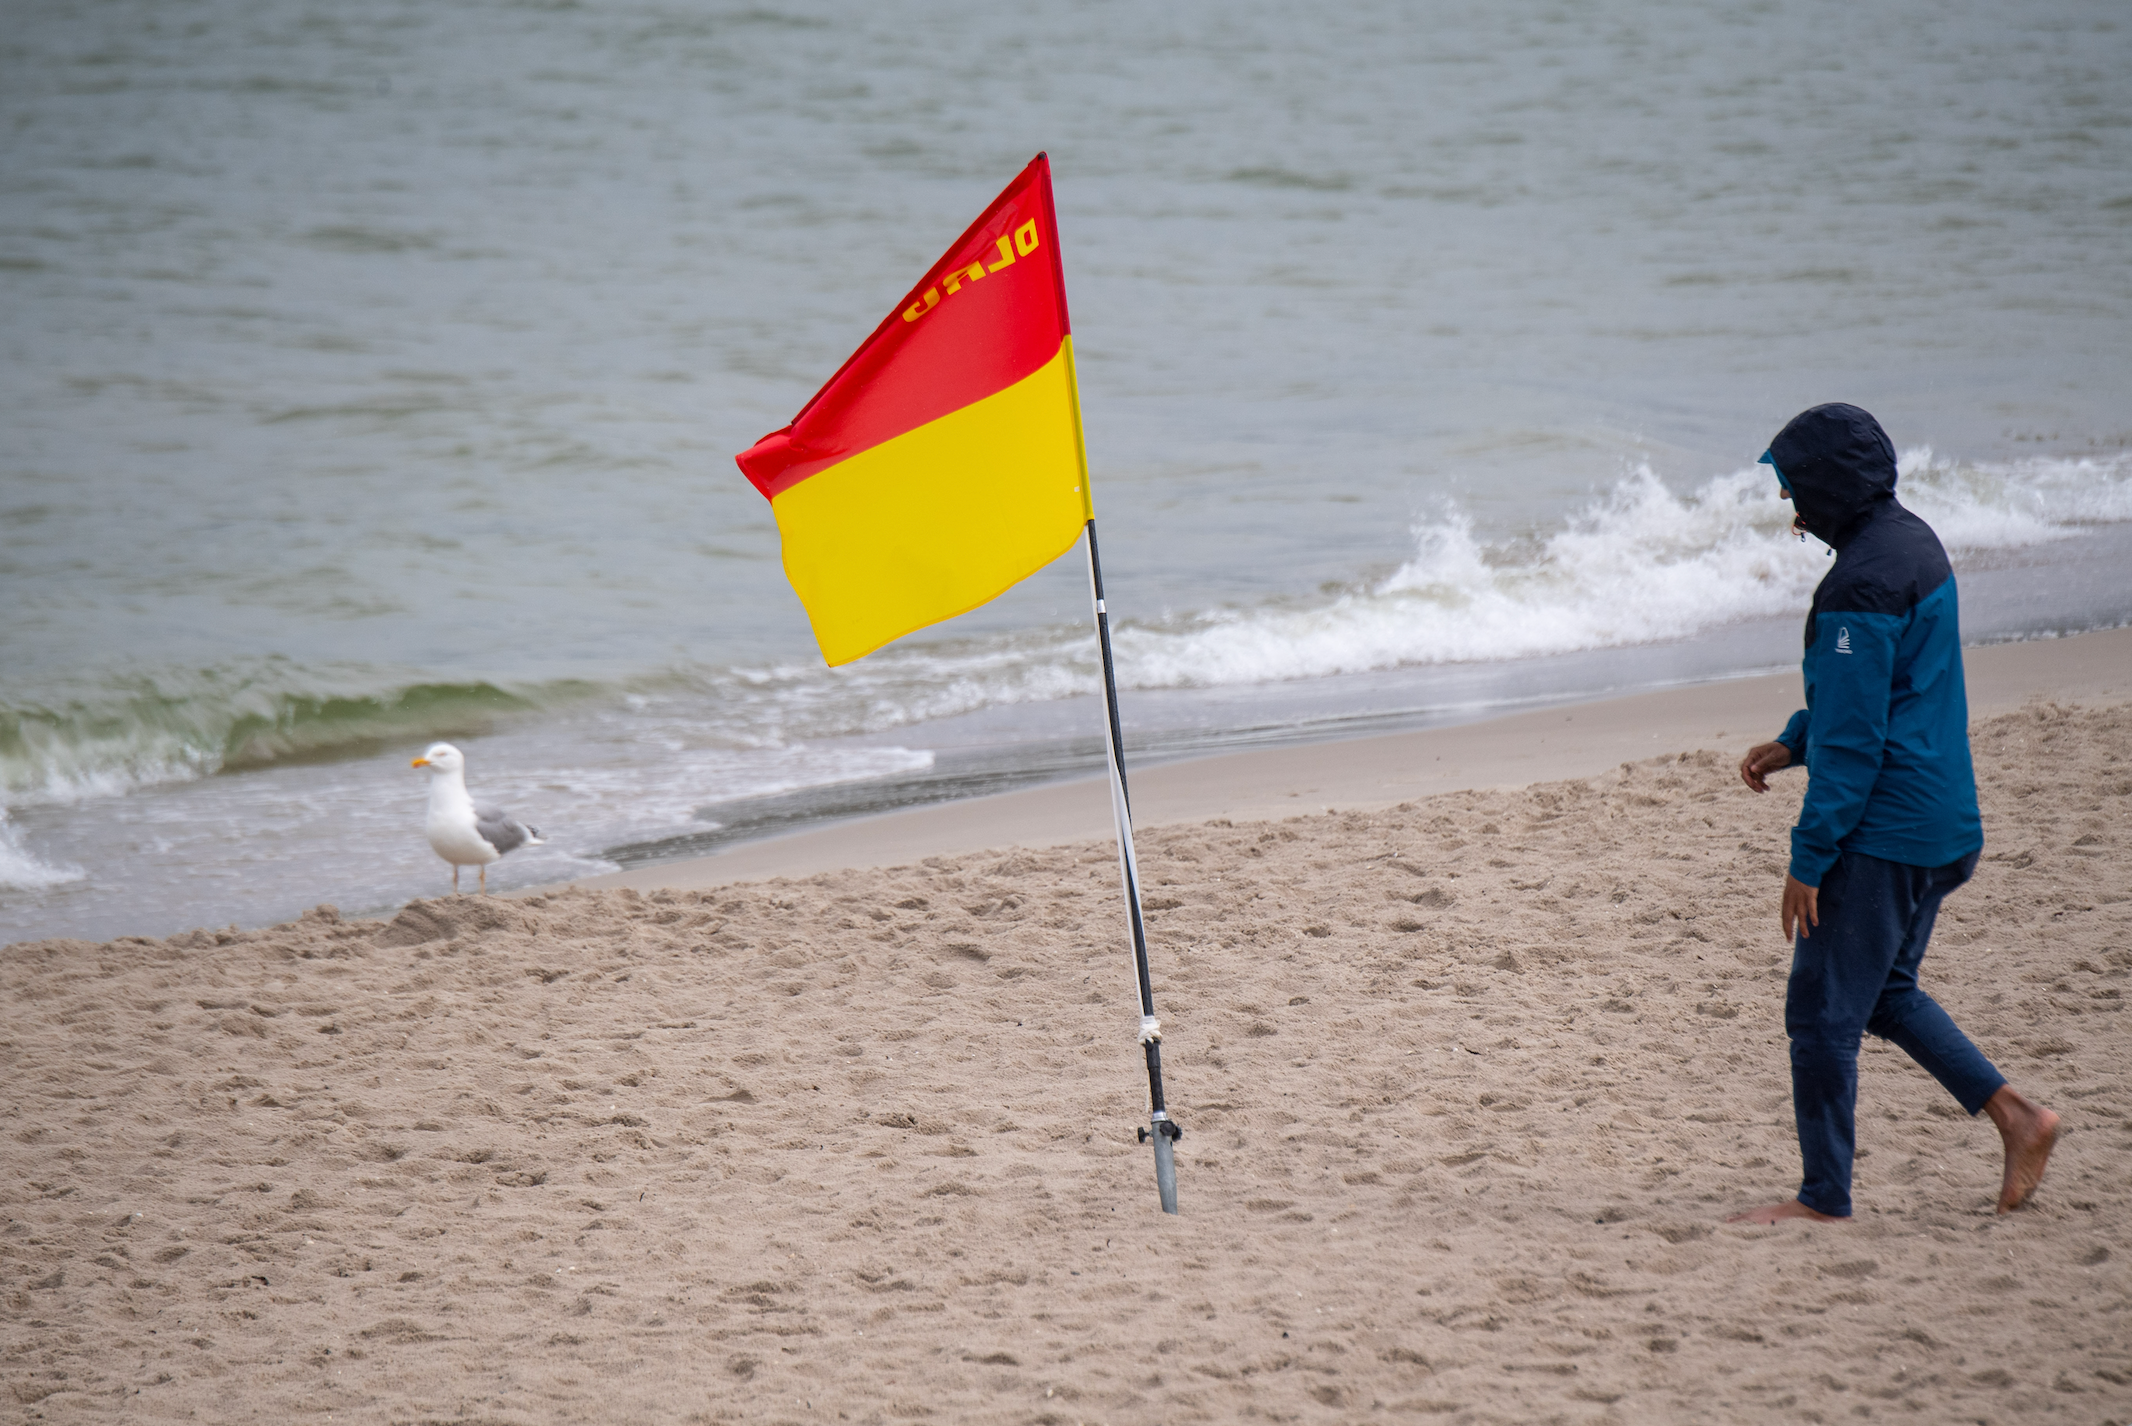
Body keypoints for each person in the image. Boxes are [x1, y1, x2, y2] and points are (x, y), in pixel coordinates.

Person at [1731, 403, 2057, 1224]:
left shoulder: (1859, 585)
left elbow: (1855, 747)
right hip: (1945, 820)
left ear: (1833, 485)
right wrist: (1792, 740)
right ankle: (2020, 1118)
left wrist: (1809, 859)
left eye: (1794, 485)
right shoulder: (1914, 544)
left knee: (1820, 1015)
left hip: (1887, 833)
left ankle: (1822, 1197)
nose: (1788, 505)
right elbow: (1884, 697)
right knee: (1885, 994)